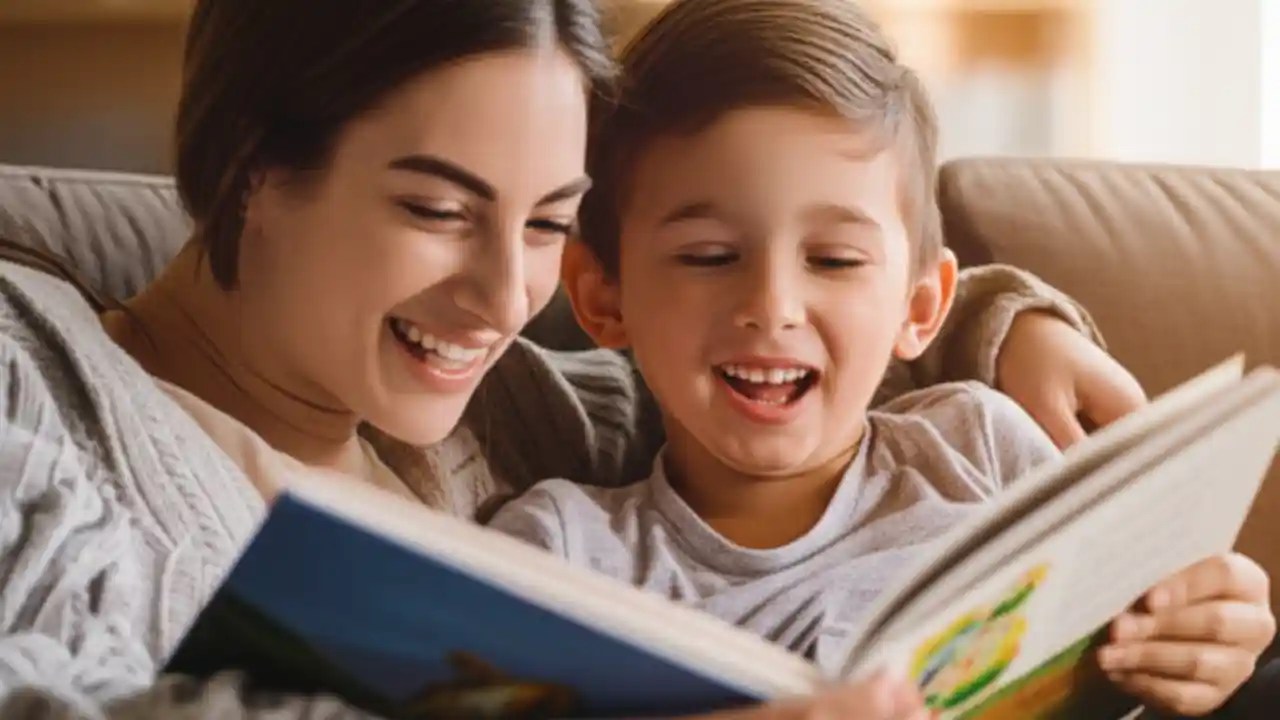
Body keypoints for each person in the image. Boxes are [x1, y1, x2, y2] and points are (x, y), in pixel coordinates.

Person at [0, 1, 1151, 718]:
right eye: (437, 210)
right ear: (254, 166)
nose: (507, 299)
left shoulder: (522, 420)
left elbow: (761, 375)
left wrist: (997, 319)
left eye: (549, 222)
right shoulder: (32, 385)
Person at [487, 1, 1277, 718]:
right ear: (601, 298)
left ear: (922, 306)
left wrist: (1198, 641)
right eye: (709, 255)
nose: (772, 305)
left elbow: (1127, 646)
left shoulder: (981, 446)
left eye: (833, 260)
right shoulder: (563, 553)